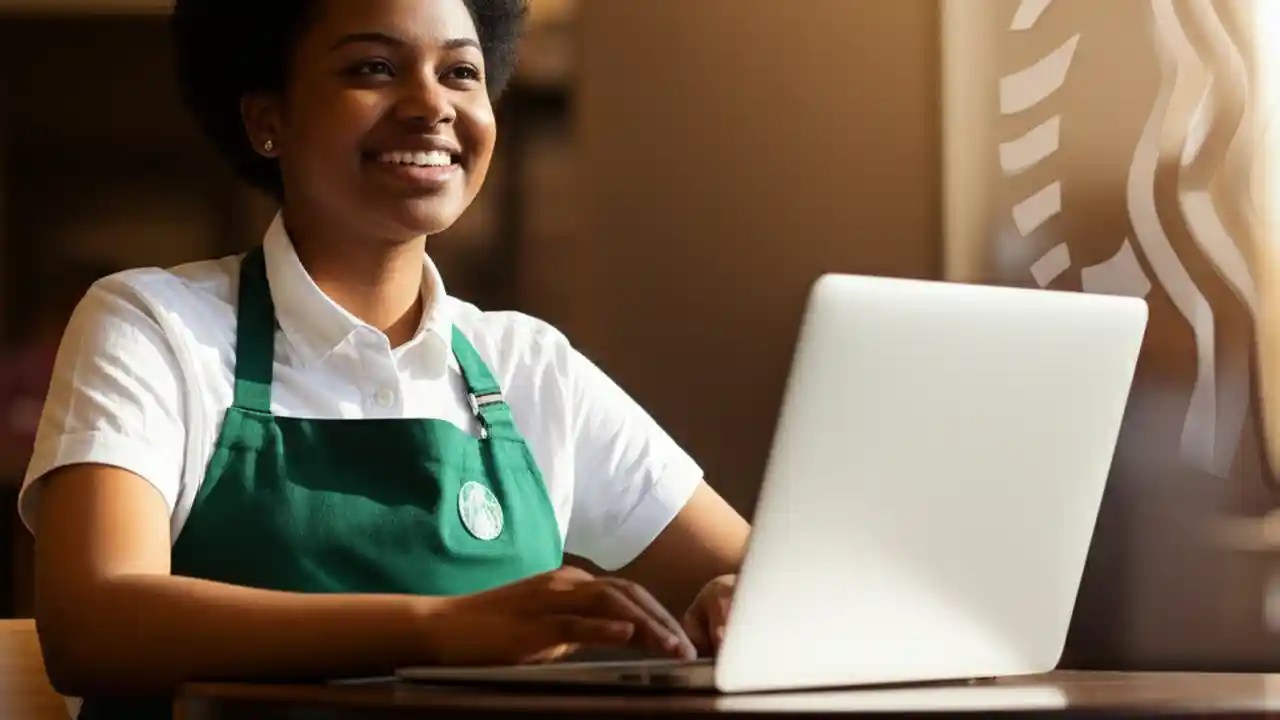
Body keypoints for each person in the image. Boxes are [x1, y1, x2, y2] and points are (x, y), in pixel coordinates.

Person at [19, 1, 750, 717]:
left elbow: (762, 569)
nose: (431, 104)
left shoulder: (529, 365)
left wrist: (741, 597)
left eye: (461, 71)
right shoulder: (155, 325)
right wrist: (438, 629)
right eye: (374, 67)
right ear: (267, 119)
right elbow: (95, 622)